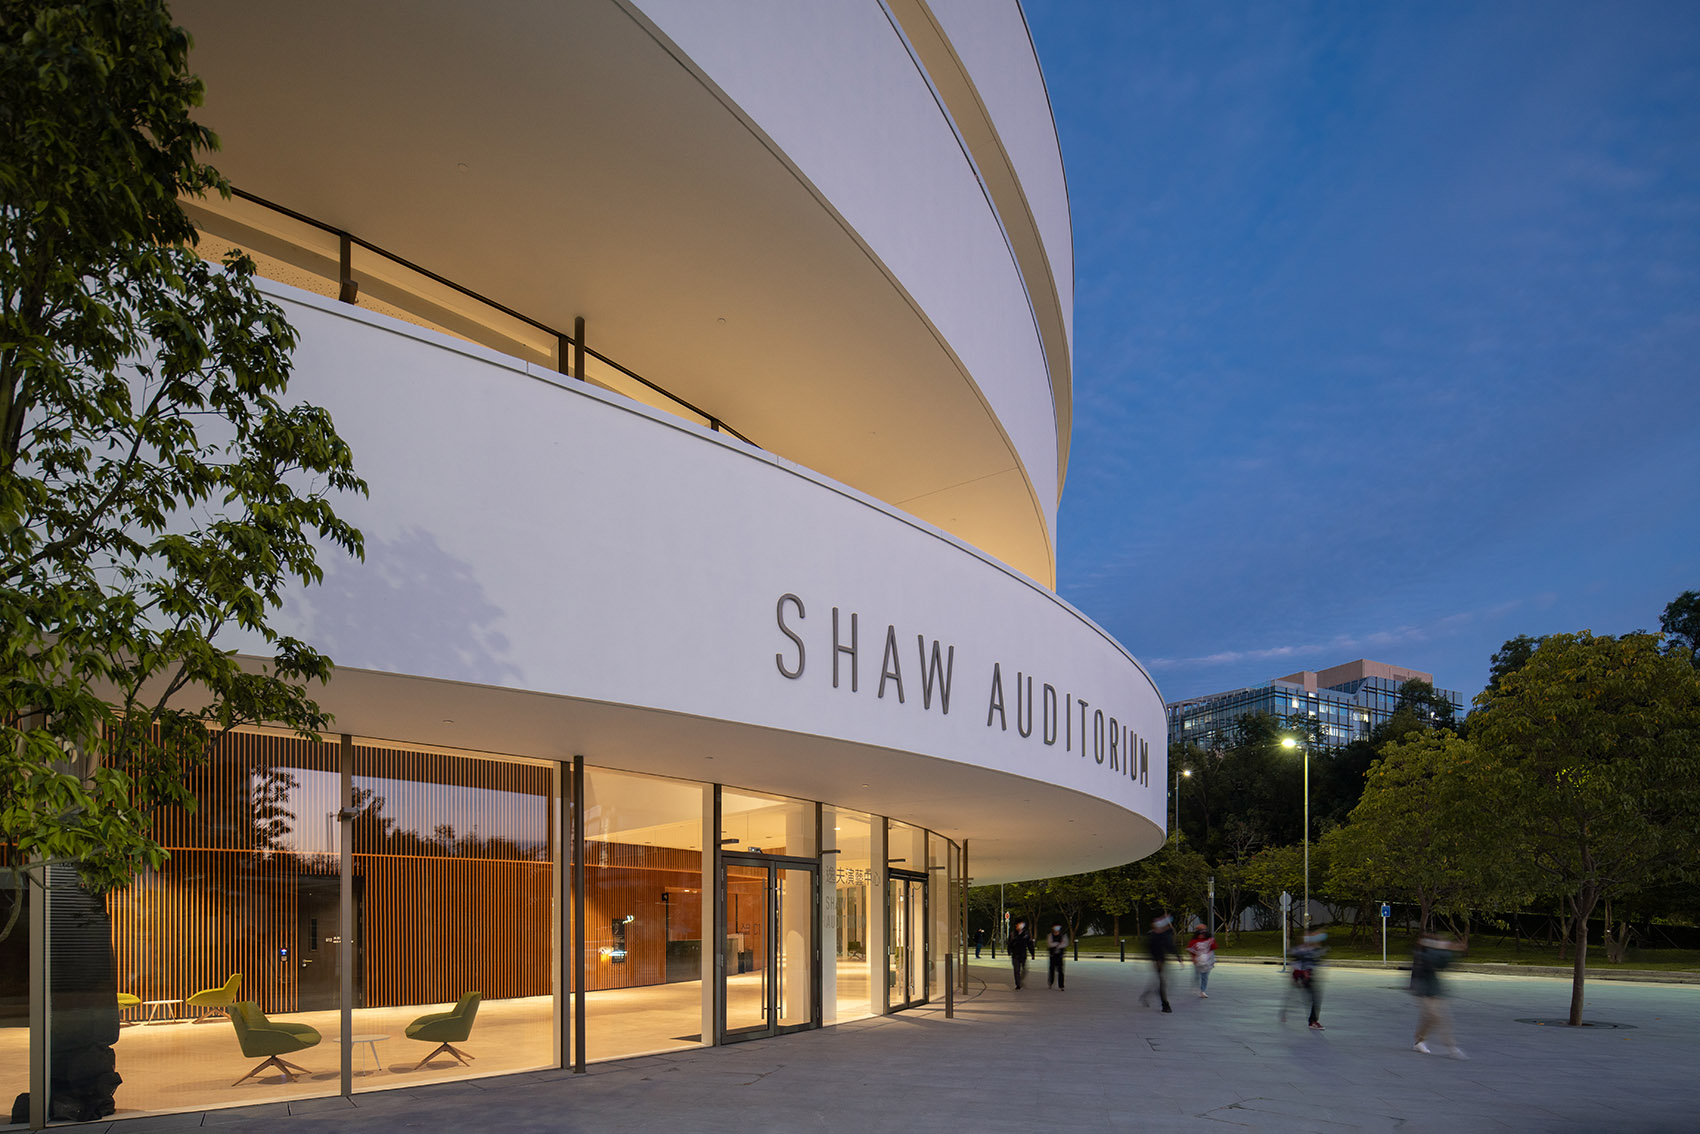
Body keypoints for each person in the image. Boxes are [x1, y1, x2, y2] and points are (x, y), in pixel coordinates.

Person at [1411, 934, 1466, 1058]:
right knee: (1435, 1016)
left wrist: (1451, 950)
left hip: (1433, 987)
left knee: (1432, 1017)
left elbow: (1443, 963)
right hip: (1422, 988)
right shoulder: (1421, 954)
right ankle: (1451, 1046)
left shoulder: (1433, 952)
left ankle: (1419, 1040)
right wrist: (1448, 946)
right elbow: (1429, 957)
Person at [1282, 930, 1327, 1030]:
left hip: (1307, 975)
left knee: (1305, 997)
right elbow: (1298, 961)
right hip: (1303, 976)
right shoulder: (1302, 950)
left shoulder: (1311, 949)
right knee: (1314, 999)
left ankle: (1285, 1012)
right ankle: (1313, 1021)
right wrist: (1304, 972)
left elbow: (1315, 959)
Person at [1140, 914, 1181, 1012]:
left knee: (1162, 982)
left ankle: (1146, 995)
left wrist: (1178, 956)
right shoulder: (1153, 936)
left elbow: (1170, 946)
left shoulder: (1165, 934)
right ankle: (1165, 1005)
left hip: (1162, 960)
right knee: (1162, 982)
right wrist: (1156, 960)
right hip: (1158, 961)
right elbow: (1150, 948)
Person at [1187, 923, 1216, 998]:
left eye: (1203, 932)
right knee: (1197, 975)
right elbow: (1191, 950)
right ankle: (1196, 987)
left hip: (1207, 961)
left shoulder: (1209, 940)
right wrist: (1194, 959)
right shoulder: (1194, 941)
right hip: (1198, 960)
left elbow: (1213, 948)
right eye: (1200, 932)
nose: (1202, 934)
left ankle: (1202, 990)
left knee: (1205, 976)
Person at [1007, 919, 1034, 990]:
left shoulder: (1026, 934)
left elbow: (1029, 944)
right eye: (1019, 924)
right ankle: (1018, 984)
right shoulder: (1013, 934)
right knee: (1016, 970)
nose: (1021, 925)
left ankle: (1020, 979)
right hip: (1015, 954)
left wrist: (1032, 953)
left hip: (1023, 954)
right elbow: (1009, 944)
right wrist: (1009, 951)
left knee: (1024, 969)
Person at [1046, 924, 1069, 990]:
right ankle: (1050, 982)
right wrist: (1058, 943)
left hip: (1060, 955)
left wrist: (1056, 944)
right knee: (1052, 969)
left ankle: (1061, 985)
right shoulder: (1050, 935)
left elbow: (1065, 944)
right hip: (1052, 955)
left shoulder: (1063, 935)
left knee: (1060, 970)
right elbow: (1050, 944)